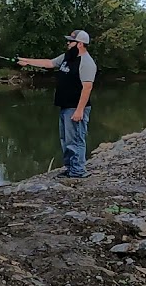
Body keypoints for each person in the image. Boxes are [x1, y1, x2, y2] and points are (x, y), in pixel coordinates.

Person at [17, 30, 98, 178]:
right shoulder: (68, 57)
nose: (67, 43)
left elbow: (87, 88)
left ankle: (78, 171)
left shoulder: (87, 63)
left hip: (76, 108)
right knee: (66, 140)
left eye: (71, 41)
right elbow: (49, 63)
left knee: (76, 140)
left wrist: (79, 111)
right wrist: (28, 61)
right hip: (65, 106)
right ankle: (70, 169)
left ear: (80, 44)